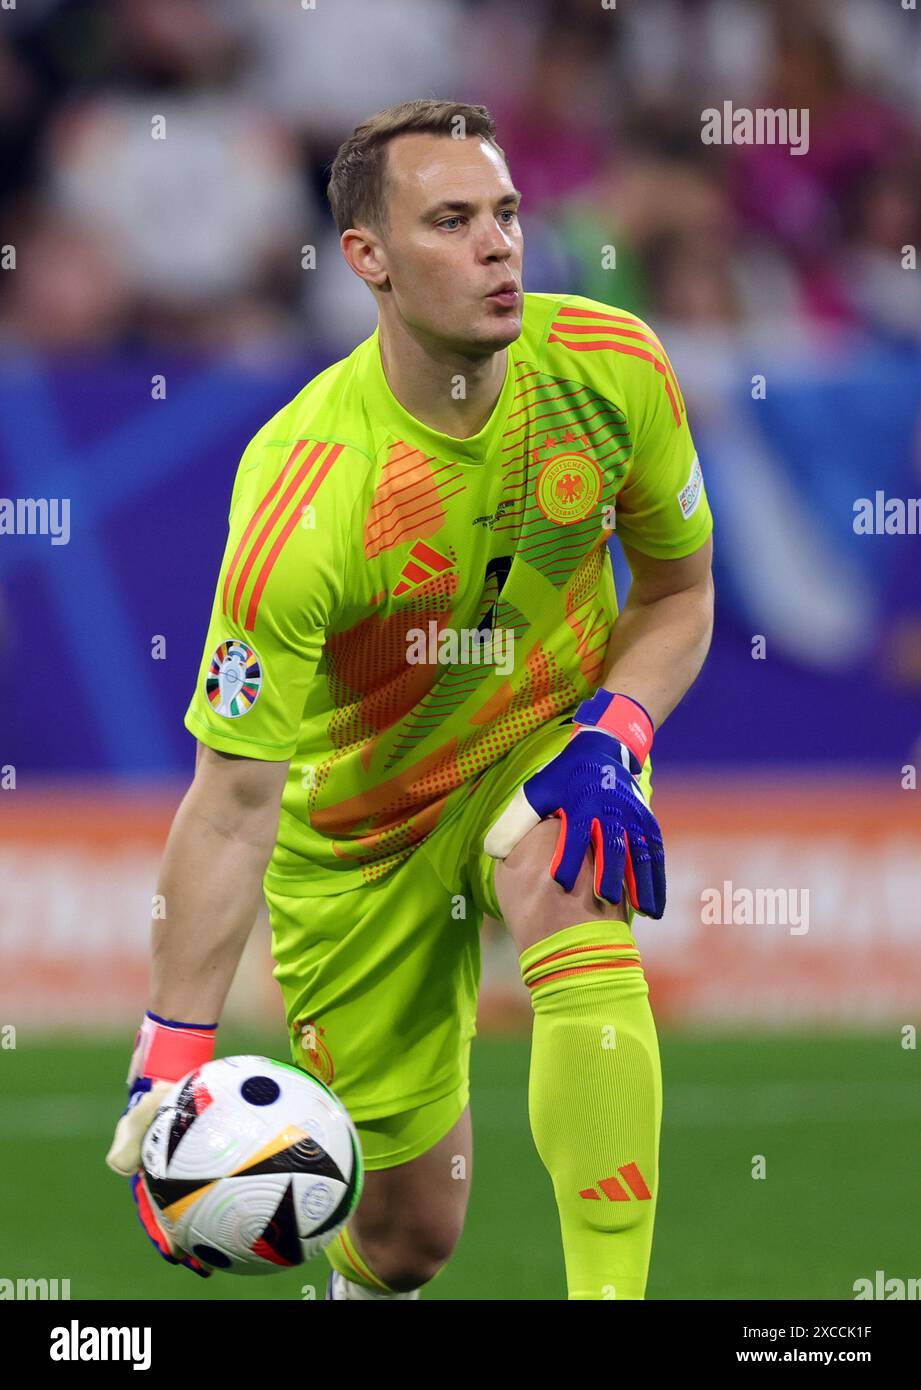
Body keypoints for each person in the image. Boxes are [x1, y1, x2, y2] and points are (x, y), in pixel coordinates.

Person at [105, 98, 714, 1301]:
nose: (499, 247)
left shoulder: (610, 368)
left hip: (543, 744)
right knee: (407, 1238)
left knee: (571, 870)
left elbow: (681, 594)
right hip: (360, 839)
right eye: (452, 221)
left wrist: (615, 733)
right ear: (367, 260)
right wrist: (170, 1050)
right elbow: (231, 805)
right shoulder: (308, 492)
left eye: (505, 214)